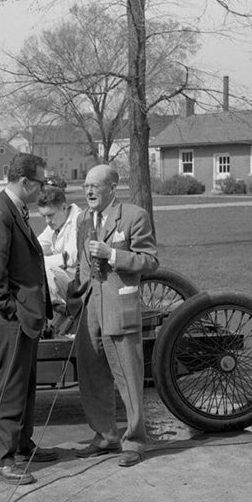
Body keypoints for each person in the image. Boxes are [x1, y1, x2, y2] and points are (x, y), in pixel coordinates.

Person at [70, 164, 158, 467]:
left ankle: (134, 441)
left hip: (120, 307)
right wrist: (75, 294)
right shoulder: (82, 218)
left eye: (95, 186)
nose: (89, 192)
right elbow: (82, 263)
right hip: (90, 309)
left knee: (128, 377)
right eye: (86, 186)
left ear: (112, 188)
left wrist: (113, 255)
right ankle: (106, 435)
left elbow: (150, 261)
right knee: (92, 375)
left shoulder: (134, 216)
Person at [0, 152, 57, 485]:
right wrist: (15, 313)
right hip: (10, 319)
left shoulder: (13, 210)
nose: (43, 188)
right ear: (25, 181)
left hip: (22, 317)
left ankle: (22, 446)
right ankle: (1, 459)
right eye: (40, 182)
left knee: (23, 385)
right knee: (8, 388)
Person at [36, 185, 81, 323]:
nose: (47, 221)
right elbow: (35, 247)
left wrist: (37, 260)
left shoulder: (78, 221)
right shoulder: (58, 222)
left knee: (46, 267)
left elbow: (69, 259)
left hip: (80, 284)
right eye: (44, 216)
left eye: (50, 215)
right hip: (66, 282)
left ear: (64, 207)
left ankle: (60, 311)